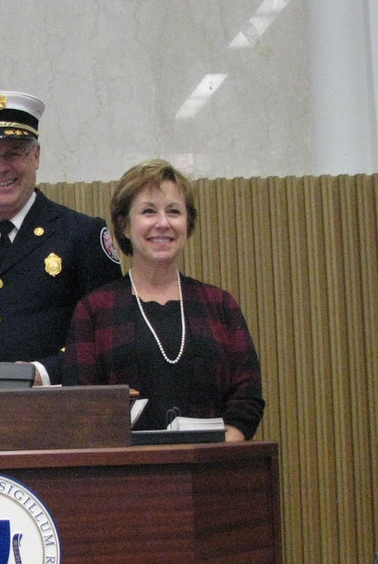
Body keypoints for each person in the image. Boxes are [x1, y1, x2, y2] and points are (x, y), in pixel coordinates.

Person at [0, 91, 121, 384]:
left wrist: (43, 373)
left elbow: (108, 334)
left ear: (36, 156)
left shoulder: (82, 235)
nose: (1, 168)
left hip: (55, 414)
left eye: (15, 153)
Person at [61, 160, 264, 441]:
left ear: (187, 223)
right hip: (125, 476)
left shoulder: (220, 305)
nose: (163, 223)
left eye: (174, 211)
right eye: (148, 211)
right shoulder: (95, 310)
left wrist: (219, 451)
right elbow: (79, 405)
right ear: (125, 225)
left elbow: (247, 395)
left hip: (212, 470)